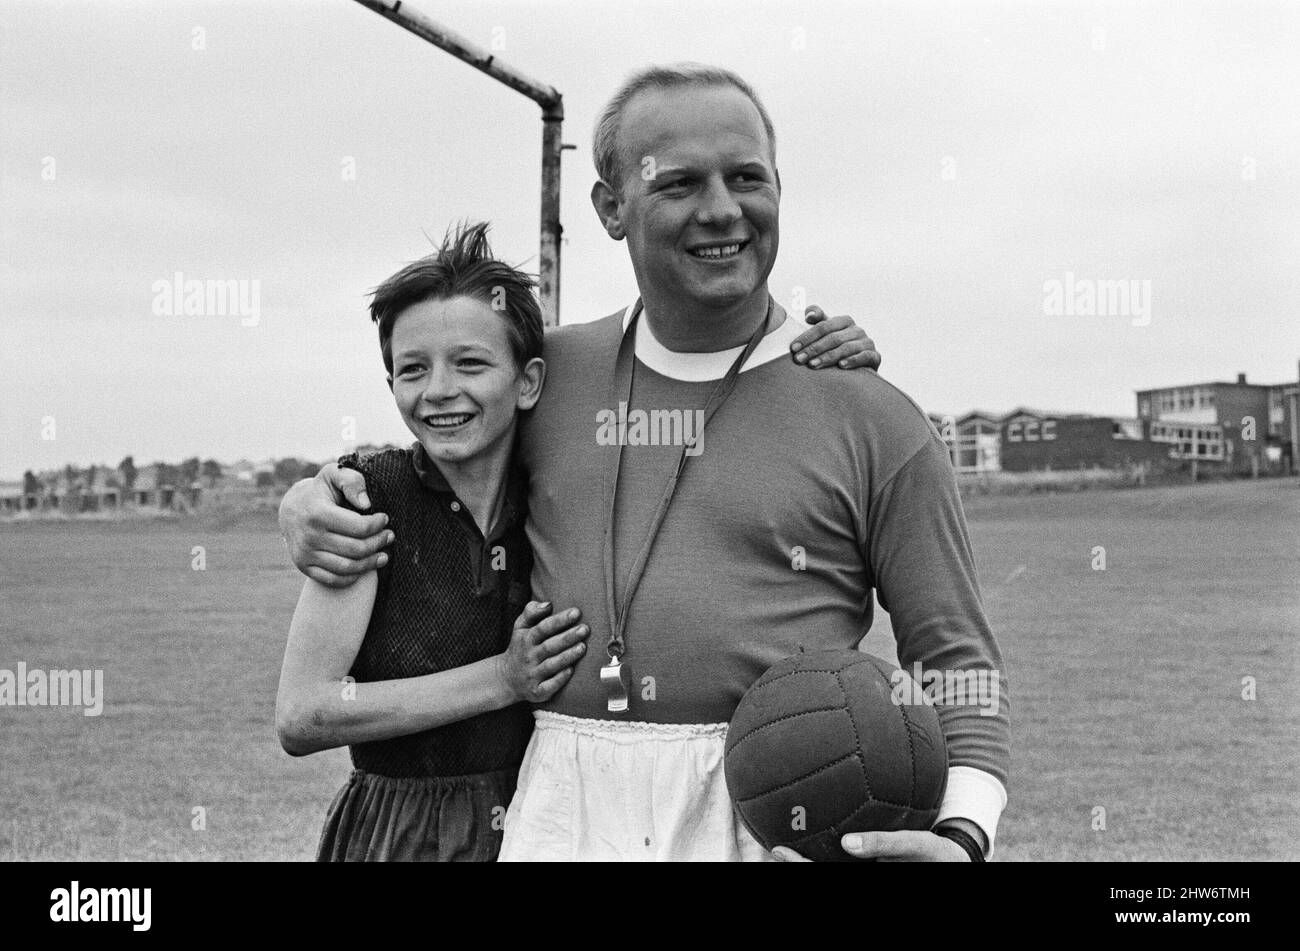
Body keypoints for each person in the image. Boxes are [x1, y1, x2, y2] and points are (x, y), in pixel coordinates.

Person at [283, 63, 1006, 862]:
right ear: (610, 207)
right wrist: (313, 496)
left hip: (771, 817)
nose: (722, 209)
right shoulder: (546, 378)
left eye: (746, 178)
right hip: (558, 804)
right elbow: (431, 454)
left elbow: (955, 656)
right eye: (681, 183)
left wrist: (963, 831)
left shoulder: (872, 414)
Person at [275, 222, 592, 861]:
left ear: (527, 381)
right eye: (411, 370)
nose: (439, 391)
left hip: (544, 824)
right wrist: (503, 679)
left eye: (470, 363)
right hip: (402, 835)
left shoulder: (565, 495)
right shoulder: (367, 500)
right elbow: (303, 714)